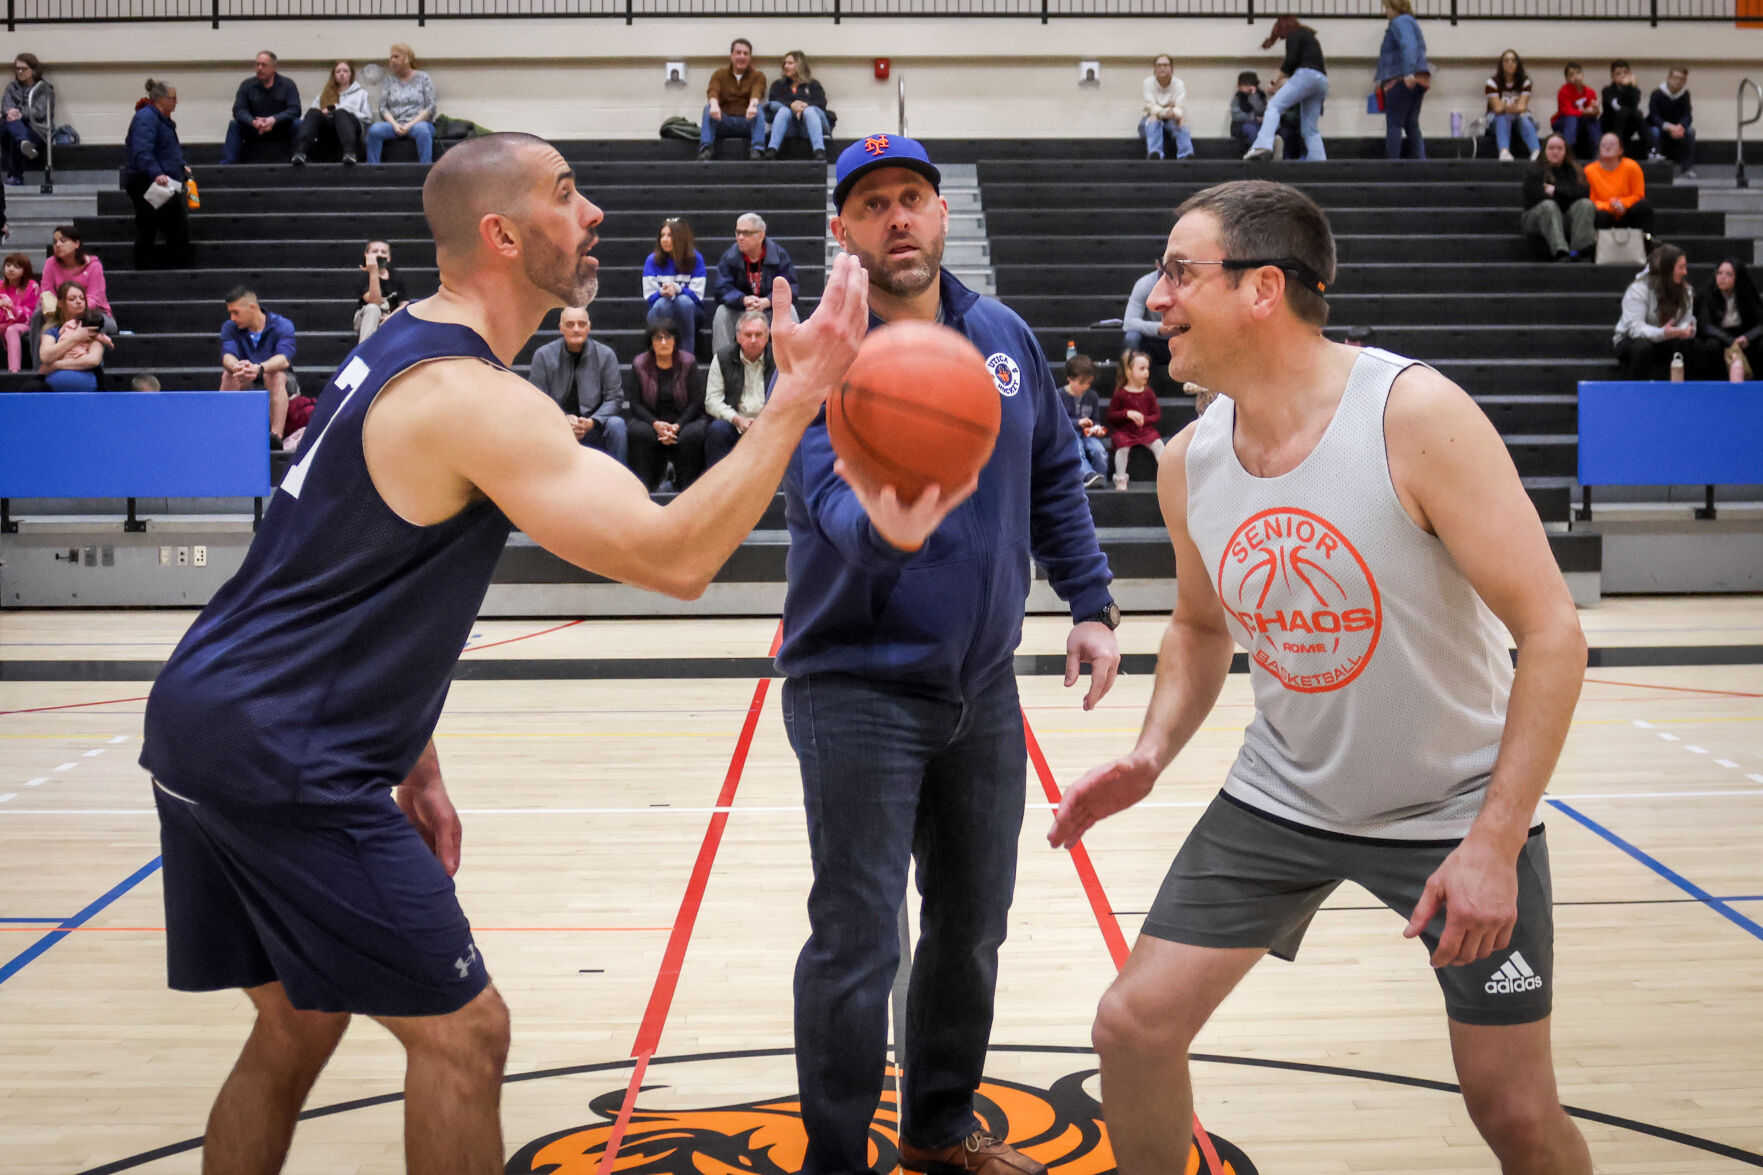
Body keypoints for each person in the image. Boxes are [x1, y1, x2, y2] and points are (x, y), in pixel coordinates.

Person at [137, 130, 870, 1175]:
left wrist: (414, 762)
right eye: (567, 194)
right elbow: (675, 555)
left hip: (205, 719)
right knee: (465, 1032)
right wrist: (797, 397)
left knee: (299, 1021)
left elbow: (330, 560)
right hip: (282, 749)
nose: (595, 214)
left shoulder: (395, 340)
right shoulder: (473, 399)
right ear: (501, 232)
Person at [1049, 177, 1596, 1175]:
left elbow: (1552, 631)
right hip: (1281, 795)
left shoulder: (1412, 413)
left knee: (1512, 1111)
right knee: (1131, 1025)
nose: (1152, 299)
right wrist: (1150, 750)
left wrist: (1491, 841)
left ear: (1261, 288)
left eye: (1177, 271)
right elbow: (1198, 621)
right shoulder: (1187, 460)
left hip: (1454, 808)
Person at [783, 131, 1119, 1175]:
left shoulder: (1000, 332)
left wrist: (1092, 602)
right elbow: (827, 502)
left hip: (982, 689)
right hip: (854, 689)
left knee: (972, 926)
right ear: (840, 227)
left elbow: (1055, 473)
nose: (897, 217)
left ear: (937, 213)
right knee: (855, 944)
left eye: (913, 197)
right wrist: (889, 522)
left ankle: (935, 1129)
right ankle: (835, 1157)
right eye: (872, 202)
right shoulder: (822, 352)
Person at [527, 305, 627, 465]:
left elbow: (614, 398)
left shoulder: (605, 355)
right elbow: (537, 399)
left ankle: (621, 482)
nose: (576, 329)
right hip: (557, 424)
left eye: (581, 324)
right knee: (531, 424)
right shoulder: (543, 355)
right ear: (561, 328)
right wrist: (562, 418)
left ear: (589, 327)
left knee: (617, 425)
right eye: (570, 324)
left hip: (594, 425)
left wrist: (592, 422)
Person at [121, 80, 193, 271]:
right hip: (147, 181)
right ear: (161, 98)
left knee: (164, 225)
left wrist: (181, 165)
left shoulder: (161, 119)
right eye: (173, 97)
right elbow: (142, 150)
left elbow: (167, 150)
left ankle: (164, 267)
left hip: (160, 180)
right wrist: (156, 173)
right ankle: (151, 268)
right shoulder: (147, 118)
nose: (176, 101)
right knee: (154, 224)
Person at [626, 320, 706, 491]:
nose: (663, 342)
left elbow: (696, 401)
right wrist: (655, 424)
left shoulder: (688, 362)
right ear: (651, 342)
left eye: (668, 337)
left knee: (694, 434)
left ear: (675, 340)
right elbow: (635, 403)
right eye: (658, 338)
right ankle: (644, 490)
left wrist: (677, 426)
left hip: (683, 420)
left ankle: (688, 490)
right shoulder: (639, 364)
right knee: (638, 433)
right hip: (651, 420)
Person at [1613, 244, 1710, 380]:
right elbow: (1635, 328)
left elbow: (1687, 320)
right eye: (1681, 267)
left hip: (1667, 338)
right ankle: (1636, 395)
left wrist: (1683, 330)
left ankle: (1687, 393)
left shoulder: (1685, 290)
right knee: (1643, 349)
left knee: (1695, 348)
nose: (1685, 272)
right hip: (1634, 339)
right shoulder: (1639, 289)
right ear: (1668, 270)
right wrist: (1662, 333)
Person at [219, 286, 296, 445]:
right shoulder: (230, 327)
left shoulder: (282, 324)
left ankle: (275, 437)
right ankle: (223, 430)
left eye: (236, 312)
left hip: (281, 380)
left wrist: (259, 368)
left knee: (273, 375)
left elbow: (283, 359)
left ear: (252, 307)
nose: (232, 317)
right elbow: (227, 355)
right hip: (246, 377)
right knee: (228, 374)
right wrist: (239, 367)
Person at [712, 211, 797, 355]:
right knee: (722, 313)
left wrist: (768, 301)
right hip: (741, 309)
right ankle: (722, 364)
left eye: (746, 233)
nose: (740, 238)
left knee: (790, 311)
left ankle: (793, 360)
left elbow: (791, 288)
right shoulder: (729, 257)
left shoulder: (779, 255)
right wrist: (743, 299)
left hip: (769, 309)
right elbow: (721, 289)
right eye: (738, 232)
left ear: (761, 235)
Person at [1245, 16, 1327, 162]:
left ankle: (1262, 145)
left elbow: (1290, 62)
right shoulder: (1309, 36)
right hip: (1321, 81)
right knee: (1310, 129)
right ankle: (1319, 161)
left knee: (1274, 106)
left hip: (1306, 75)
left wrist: (1274, 83)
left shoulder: (1294, 35)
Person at [704, 309, 774, 468]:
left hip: (770, 424)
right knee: (717, 430)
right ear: (738, 337)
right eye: (748, 335)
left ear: (767, 336)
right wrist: (737, 419)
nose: (753, 340)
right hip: (735, 423)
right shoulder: (723, 358)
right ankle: (718, 487)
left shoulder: (779, 358)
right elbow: (712, 401)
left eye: (759, 334)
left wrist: (767, 421)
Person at [1522, 133, 1596, 263]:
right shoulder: (1534, 170)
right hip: (1536, 217)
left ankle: (1580, 251)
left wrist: (1556, 190)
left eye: (1559, 148)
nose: (1555, 152)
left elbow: (1583, 193)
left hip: (1563, 217)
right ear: (1544, 151)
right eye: (1551, 148)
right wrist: (1566, 195)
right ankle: (1561, 252)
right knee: (1549, 206)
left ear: (1565, 151)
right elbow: (1534, 197)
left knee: (1585, 204)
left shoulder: (1574, 170)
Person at [1375, 0, 1430, 160]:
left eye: (1387, 8)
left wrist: (1408, 72)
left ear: (1396, 7)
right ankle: (1422, 164)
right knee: (1411, 124)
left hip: (1401, 78)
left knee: (1394, 123)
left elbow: (1408, 45)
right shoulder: (1411, 22)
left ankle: (1392, 166)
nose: (1386, 12)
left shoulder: (1400, 22)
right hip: (1419, 77)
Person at [221, 50, 299, 165]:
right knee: (234, 125)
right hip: (254, 129)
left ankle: (300, 160)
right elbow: (238, 110)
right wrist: (253, 122)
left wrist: (273, 120)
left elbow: (295, 109)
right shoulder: (247, 85)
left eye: (264, 65)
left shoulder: (288, 84)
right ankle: (226, 165)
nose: (259, 68)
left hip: (280, 128)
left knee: (298, 124)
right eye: (257, 64)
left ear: (274, 68)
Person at [697, 37, 767, 162]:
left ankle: (757, 150)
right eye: (738, 53)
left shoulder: (758, 75)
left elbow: (758, 90)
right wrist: (714, 105)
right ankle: (706, 149)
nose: (742, 57)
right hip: (724, 121)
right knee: (708, 109)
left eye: (745, 54)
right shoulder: (719, 74)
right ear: (731, 55)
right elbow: (713, 90)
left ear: (750, 57)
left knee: (759, 109)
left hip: (746, 121)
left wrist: (753, 104)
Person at [366, 44, 437, 165]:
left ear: (407, 59)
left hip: (418, 123)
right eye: (391, 57)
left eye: (396, 57)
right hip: (395, 125)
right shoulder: (389, 81)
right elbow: (383, 108)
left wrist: (409, 125)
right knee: (374, 130)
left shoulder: (423, 78)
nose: (392, 60)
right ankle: (372, 169)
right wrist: (395, 125)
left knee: (423, 131)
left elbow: (431, 107)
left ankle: (425, 170)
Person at [1696, 257, 1763, 381]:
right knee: (1711, 345)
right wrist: (1730, 340)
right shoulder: (1708, 294)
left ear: (1737, 278)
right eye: (1719, 273)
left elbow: (1760, 323)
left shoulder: (1747, 295)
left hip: (1742, 334)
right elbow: (1705, 325)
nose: (1722, 277)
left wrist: (1748, 337)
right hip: (1719, 335)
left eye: (1728, 274)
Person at [643, 216, 707, 344]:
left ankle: (687, 358)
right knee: (663, 303)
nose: (664, 239)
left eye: (669, 236)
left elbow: (698, 297)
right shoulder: (652, 260)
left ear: (680, 238)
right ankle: (662, 354)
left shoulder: (695, 259)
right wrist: (662, 292)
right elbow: (649, 297)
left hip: (691, 312)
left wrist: (678, 289)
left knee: (683, 302)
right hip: (660, 309)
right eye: (662, 235)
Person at [293, 60, 369, 166]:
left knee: (340, 113)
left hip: (350, 129)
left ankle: (350, 153)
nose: (341, 74)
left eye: (345, 71)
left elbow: (367, 117)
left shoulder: (361, 94)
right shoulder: (323, 95)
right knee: (313, 112)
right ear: (334, 75)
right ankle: (300, 152)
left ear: (351, 74)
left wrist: (340, 109)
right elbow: (309, 119)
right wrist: (324, 113)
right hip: (328, 132)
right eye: (338, 72)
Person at [35, 283, 109, 391]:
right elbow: (46, 356)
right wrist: (76, 337)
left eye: (82, 298)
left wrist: (56, 365)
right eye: (72, 299)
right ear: (60, 303)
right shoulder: (51, 330)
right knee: (30, 387)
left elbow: (93, 360)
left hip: (91, 389)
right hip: (52, 390)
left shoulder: (93, 328)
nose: (78, 302)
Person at [1106, 349, 1162, 490]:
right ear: (1129, 371)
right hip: (1125, 431)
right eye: (1142, 369)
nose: (1146, 373)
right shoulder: (1121, 394)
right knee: (1122, 445)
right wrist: (1126, 413)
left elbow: (1156, 415)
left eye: (1147, 369)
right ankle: (1120, 477)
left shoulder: (1148, 393)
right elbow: (1111, 416)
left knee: (1158, 444)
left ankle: (1167, 474)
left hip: (1145, 430)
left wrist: (1145, 420)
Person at [764, 50, 832, 161]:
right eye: (785, 63)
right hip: (790, 127)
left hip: (811, 125)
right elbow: (772, 104)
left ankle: (819, 150)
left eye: (790, 63)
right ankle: (772, 149)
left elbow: (821, 103)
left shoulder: (813, 84)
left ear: (800, 65)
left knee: (810, 111)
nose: (786, 66)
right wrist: (791, 105)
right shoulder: (778, 85)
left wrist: (805, 106)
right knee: (783, 111)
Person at [1586, 132, 1655, 238]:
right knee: (1599, 215)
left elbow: (1639, 195)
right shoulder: (1589, 171)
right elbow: (1591, 200)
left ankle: (1648, 244)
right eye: (1604, 144)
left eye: (1612, 144)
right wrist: (1611, 206)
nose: (1608, 147)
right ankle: (1599, 250)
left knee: (1643, 207)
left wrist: (1623, 204)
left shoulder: (1632, 167)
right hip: (1605, 213)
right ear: (1599, 149)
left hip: (1627, 211)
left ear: (1621, 150)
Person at [2, 54, 51, 187]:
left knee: (15, 133)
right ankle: (23, 141)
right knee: (11, 123)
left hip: (34, 127)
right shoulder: (12, 87)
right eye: (17, 69)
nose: (20, 72)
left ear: (34, 70)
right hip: (10, 125)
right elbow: (6, 106)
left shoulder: (44, 89)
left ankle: (15, 176)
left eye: (24, 68)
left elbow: (40, 111)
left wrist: (20, 113)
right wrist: (13, 113)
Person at [1062, 353, 1108, 488]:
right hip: (1070, 433)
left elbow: (1096, 419)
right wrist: (1077, 422)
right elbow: (1059, 422)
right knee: (1078, 449)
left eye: (1088, 383)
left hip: (1088, 433)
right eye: (1081, 383)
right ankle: (1088, 475)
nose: (1085, 387)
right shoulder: (1060, 396)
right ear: (1069, 378)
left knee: (1099, 450)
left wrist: (1097, 429)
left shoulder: (1092, 396)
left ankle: (1100, 481)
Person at [1485, 49, 1541, 162]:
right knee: (1502, 116)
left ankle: (1536, 152)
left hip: (1518, 118)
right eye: (1506, 60)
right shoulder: (1492, 82)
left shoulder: (1525, 82)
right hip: (1496, 120)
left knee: (1524, 118)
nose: (1510, 63)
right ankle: (1504, 151)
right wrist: (1510, 107)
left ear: (1518, 64)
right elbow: (1497, 109)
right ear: (1501, 64)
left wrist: (1505, 106)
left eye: (1513, 61)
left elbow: (1522, 107)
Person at [1140, 54, 1195, 161]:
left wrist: (1172, 113)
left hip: (1171, 120)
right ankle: (1155, 154)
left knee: (1181, 122)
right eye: (1159, 65)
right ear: (1154, 69)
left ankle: (1186, 155)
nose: (1162, 68)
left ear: (1172, 68)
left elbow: (1179, 107)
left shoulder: (1179, 84)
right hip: (1150, 121)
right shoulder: (1148, 83)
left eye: (1165, 65)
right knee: (1154, 119)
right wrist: (1167, 111)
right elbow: (1151, 107)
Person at [1601, 60, 1655, 161]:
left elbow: (1633, 106)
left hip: (1628, 126)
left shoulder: (1634, 90)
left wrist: (1631, 87)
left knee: (1638, 114)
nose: (1623, 76)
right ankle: (1617, 152)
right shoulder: (1607, 91)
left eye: (1626, 73)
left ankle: (1652, 151)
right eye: (1618, 73)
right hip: (1611, 125)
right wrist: (1627, 87)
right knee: (1623, 113)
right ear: (1612, 77)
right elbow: (1617, 107)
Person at [1648, 66, 1696, 179]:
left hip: (1677, 127)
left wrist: (1680, 126)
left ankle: (1686, 168)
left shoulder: (1685, 94)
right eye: (1676, 77)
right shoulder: (1657, 93)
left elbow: (1687, 115)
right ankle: (1656, 167)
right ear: (1669, 78)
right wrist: (1668, 126)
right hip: (1660, 126)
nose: (1678, 81)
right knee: (1653, 132)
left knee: (1690, 131)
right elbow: (1653, 116)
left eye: (1682, 79)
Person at [355, 240, 406, 342]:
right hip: (366, 318)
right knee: (373, 308)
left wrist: (390, 317)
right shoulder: (363, 275)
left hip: (389, 318)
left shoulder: (397, 276)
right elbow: (375, 301)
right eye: (375, 251)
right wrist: (373, 271)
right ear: (367, 255)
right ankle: (365, 353)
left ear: (389, 257)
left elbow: (405, 303)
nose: (379, 254)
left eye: (383, 252)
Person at [1550, 62, 1601, 160]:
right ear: (1567, 79)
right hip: (1563, 122)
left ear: (1582, 74)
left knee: (1593, 121)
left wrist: (1595, 111)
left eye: (1578, 73)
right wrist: (1584, 112)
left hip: (1581, 123)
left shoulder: (1590, 92)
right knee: (1571, 119)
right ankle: (1569, 150)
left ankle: (1598, 150)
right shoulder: (1563, 91)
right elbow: (1567, 111)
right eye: (1571, 75)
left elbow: (1593, 111)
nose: (1576, 77)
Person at [1, 250, 40, 371]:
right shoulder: (1, 286)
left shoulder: (32, 286)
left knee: (12, 329)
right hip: (6, 322)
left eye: (16, 266)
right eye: (8, 265)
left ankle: (14, 370)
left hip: (26, 324)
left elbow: (30, 314)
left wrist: (10, 308)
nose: (11, 269)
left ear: (25, 270)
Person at [1123, 268, 1171, 367]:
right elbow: (1129, 323)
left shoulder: (1188, 283)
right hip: (1153, 341)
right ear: (1158, 264)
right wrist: (1159, 328)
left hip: (1181, 338)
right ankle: (1133, 378)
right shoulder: (1144, 284)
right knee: (1132, 337)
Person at [1229, 71, 1268, 156]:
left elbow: (1261, 110)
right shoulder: (1237, 98)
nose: (1249, 88)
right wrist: (1253, 117)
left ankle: (1265, 152)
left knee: (1265, 130)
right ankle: (1254, 152)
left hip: (1258, 124)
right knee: (1252, 130)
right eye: (1246, 85)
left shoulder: (1260, 96)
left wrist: (1253, 97)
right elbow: (1236, 115)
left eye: (1251, 85)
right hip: (1240, 125)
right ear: (1239, 87)